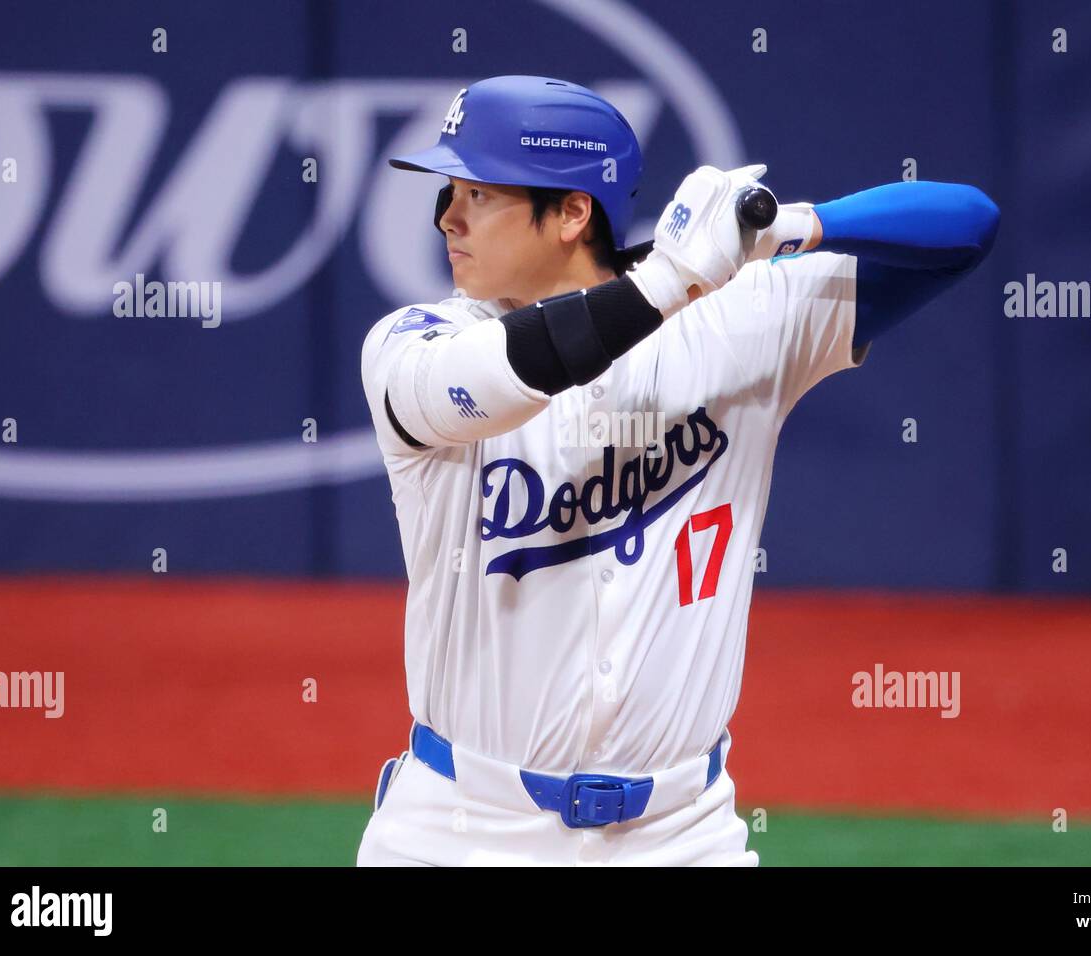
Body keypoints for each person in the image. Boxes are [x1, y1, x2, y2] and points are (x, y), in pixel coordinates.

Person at [357, 75, 999, 866]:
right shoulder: (412, 345)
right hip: (461, 830)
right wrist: (667, 278)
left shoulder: (740, 317)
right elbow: (516, 369)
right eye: (448, 191)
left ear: (570, 211)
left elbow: (969, 225)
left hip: (681, 836)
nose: (445, 217)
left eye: (476, 192)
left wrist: (788, 229)